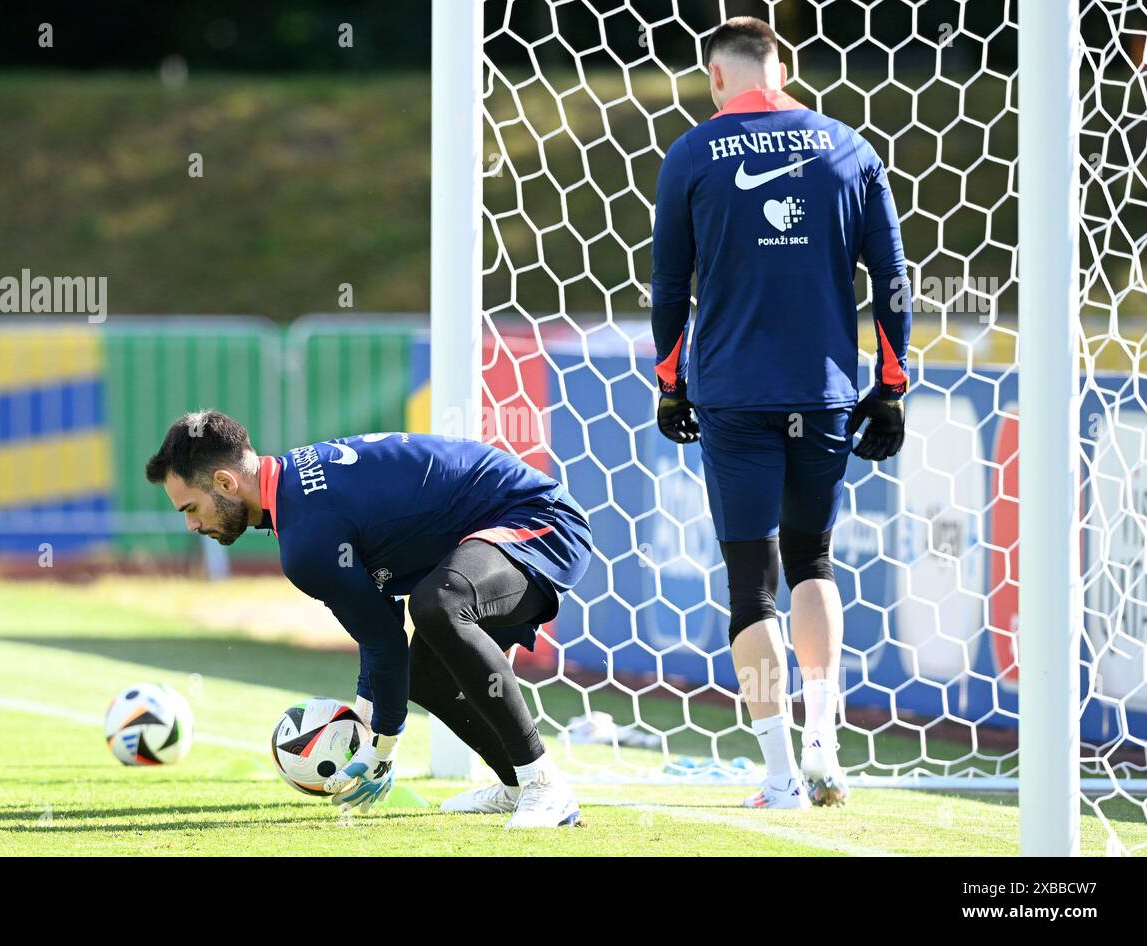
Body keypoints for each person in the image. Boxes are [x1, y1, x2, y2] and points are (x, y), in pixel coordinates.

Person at [649, 16, 911, 808]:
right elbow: (893, 275)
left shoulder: (691, 154)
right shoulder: (848, 146)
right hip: (822, 392)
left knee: (749, 587)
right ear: (782, 66)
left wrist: (670, 381)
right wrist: (893, 385)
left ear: (715, 75)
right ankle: (826, 746)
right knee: (814, 561)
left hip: (734, 397)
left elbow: (669, 289)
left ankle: (778, 775)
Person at [145, 412, 592, 828]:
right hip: (490, 535)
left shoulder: (305, 539)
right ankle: (517, 785)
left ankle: (544, 786)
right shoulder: (294, 491)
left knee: (438, 604)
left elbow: (384, 641)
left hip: (541, 521)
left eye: (190, 509)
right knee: (423, 674)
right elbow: (378, 623)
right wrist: (365, 715)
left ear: (224, 482)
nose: (191, 526)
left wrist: (381, 746)